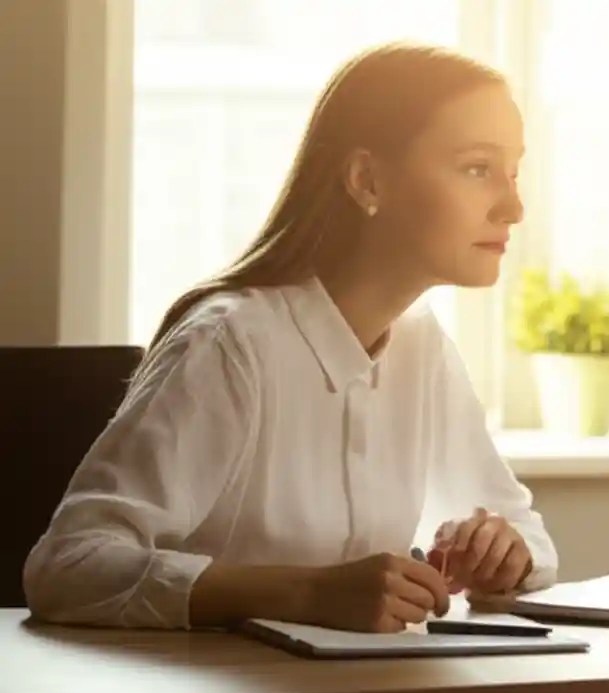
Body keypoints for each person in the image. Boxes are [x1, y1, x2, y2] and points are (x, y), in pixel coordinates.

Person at [22, 41, 556, 633]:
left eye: (513, 172)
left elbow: (527, 534)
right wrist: (304, 592)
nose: (513, 207)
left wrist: (503, 553)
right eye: (478, 169)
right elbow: (68, 565)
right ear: (367, 180)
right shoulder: (228, 345)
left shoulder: (422, 347)